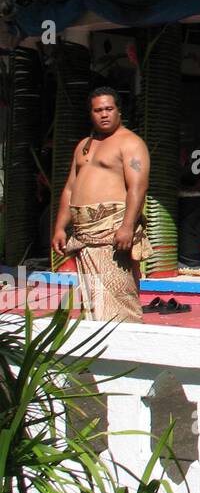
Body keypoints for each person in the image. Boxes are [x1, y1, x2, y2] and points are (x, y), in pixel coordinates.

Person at [51, 88, 151, 322]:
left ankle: (126, 351)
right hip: (84, 234)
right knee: (93, 302)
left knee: (118, 299)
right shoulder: (84, 145)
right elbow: (69, 188)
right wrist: (58, 227)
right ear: (91, 113)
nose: (104, 114)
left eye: (109, 109)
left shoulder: (131, 143)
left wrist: (127, 225)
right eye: (98, 110)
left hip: (113, 231)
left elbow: (138, 187)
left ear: (118, 111)